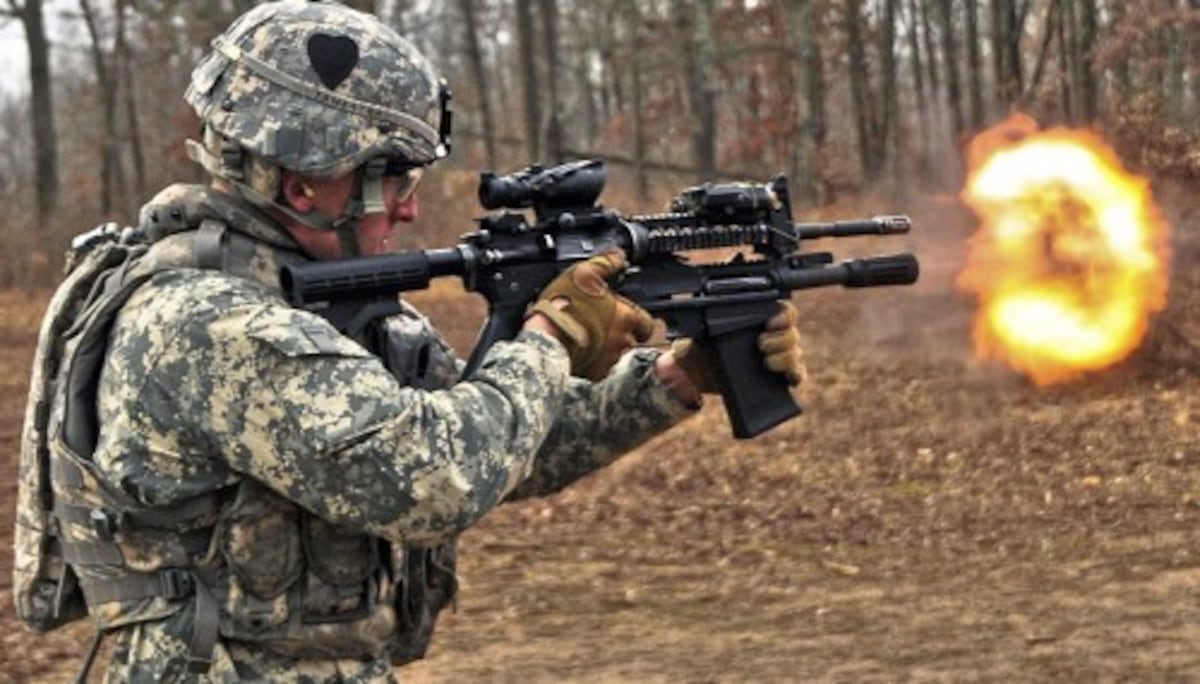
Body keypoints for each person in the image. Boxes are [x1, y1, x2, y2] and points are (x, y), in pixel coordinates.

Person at [22, 1, 804, 681]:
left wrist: (671, 378)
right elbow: (433, 479)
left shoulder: (319, 299)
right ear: (308, 185)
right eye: (393, 181)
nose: (405, 209)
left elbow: (500, 443)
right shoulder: (210, 322)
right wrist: (548, 336)